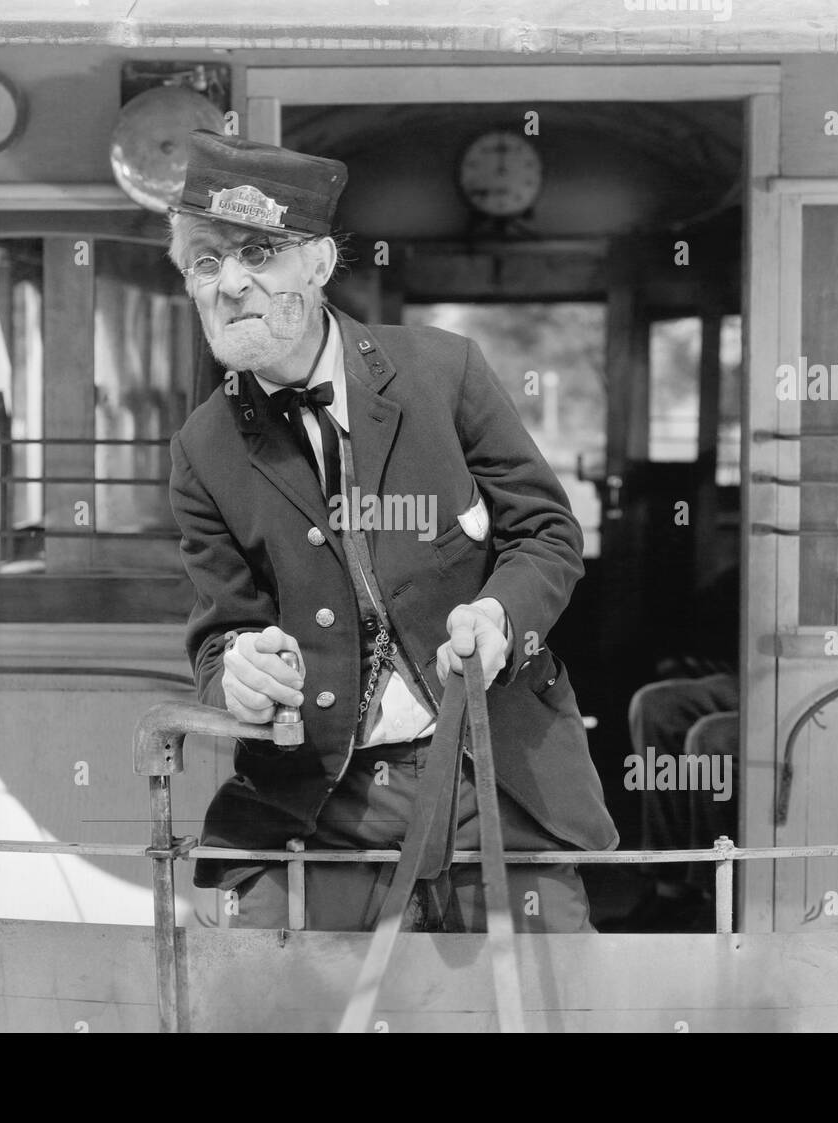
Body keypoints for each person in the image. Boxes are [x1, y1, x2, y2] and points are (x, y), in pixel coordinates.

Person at [165, 130, 618, 933]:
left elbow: (546, 532)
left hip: (493, 774)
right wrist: (237, 671)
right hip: (316, 796)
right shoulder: (204, 450)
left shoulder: (446, 373)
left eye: (259, 253)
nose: (231, 282)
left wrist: (499, 618)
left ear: (318, 264)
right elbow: (216, 637)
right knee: (263, 1009)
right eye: (207, 261)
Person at [617, 411, 838, 931]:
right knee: (659, 706)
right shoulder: (830, 529)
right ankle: (670, 884)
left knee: (713, 739)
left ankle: (722, 896)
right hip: (786, 676)